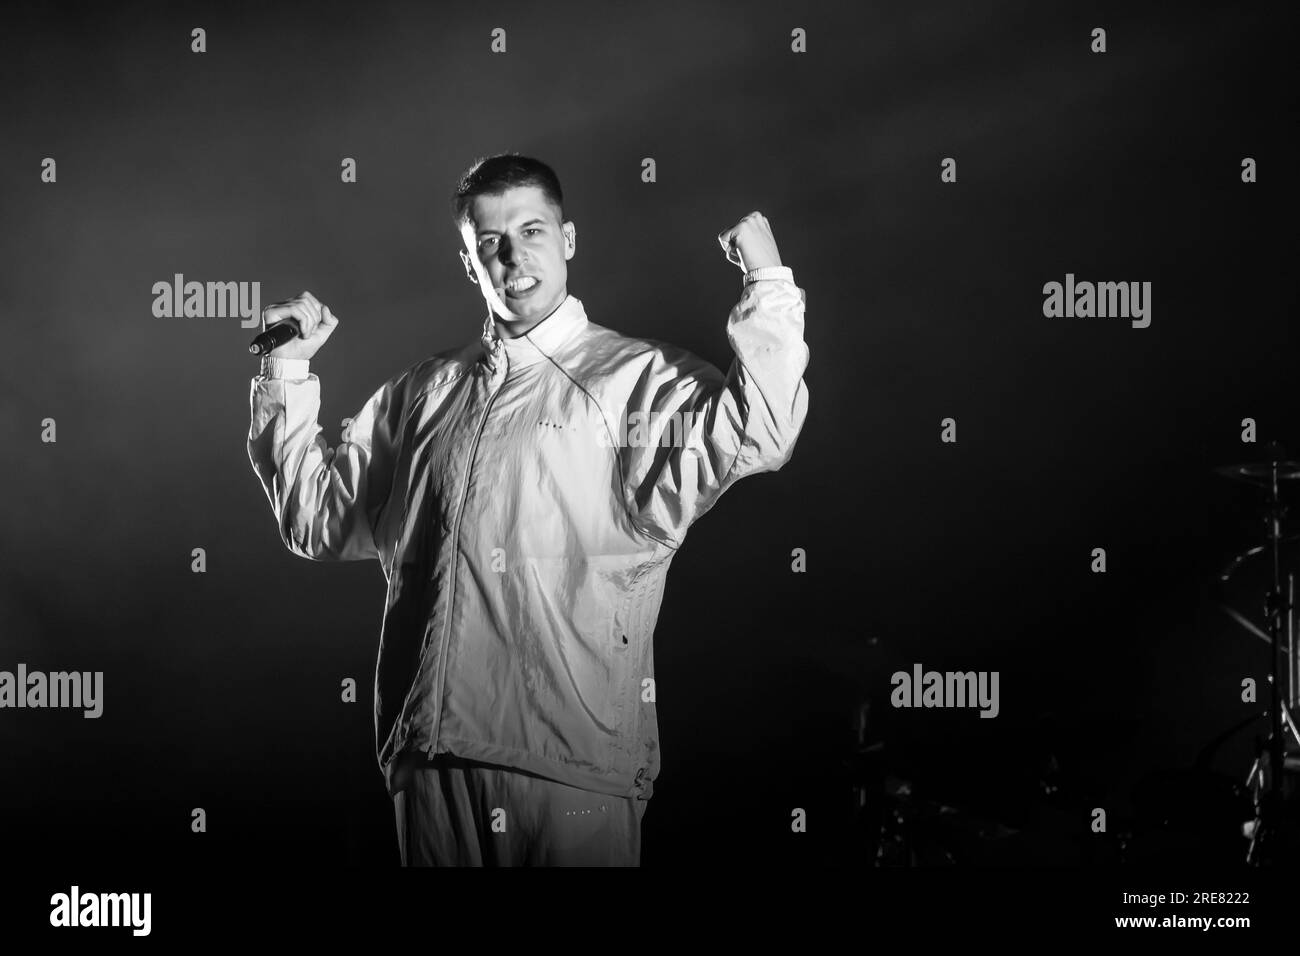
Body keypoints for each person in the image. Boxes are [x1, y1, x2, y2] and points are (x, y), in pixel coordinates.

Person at [246, 153, 809, 865]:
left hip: (573, 771)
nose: (513, 255)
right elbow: (316, 521)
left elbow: (760, 432)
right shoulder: (420, 395)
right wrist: (286, 373)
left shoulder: (636, 381)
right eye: (490, 241)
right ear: (468, 261)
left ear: (568, 240)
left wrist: (768, 280)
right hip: (430, 763)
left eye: (533, 230)